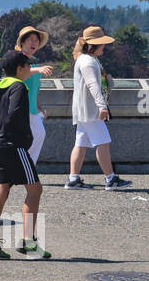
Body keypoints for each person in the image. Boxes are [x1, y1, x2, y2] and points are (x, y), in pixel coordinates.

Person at [0, 49, 49, 259]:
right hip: (14, 145)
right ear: (20, 69)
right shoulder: (19, 86)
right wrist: (25, 138)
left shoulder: (2, 86)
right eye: (28, 66)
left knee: (0, 193)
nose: (30, 69)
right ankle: (28, 241)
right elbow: (15, 116)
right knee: (35, 190)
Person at [67, 25, 131, 190]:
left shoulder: (84, 59)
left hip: (83, 109)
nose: (104, 46)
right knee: (103, 142)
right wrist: (102, 106)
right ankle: (110, 179)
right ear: (94, 45)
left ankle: (73, 179)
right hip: (90, 110)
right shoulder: (89, 61)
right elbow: (93, 85)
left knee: (80, 143)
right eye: (101, 43)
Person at [15, 25, 55, 165]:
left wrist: (40, 107)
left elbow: (35, 90)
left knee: (39, 135)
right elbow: (19, 74)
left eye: (36, 41)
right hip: (19, 107)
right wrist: (39, 69)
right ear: (23, 42)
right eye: (31, 40)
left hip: (31, 108)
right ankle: (24, 166)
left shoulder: (34, 62)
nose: (34, 43)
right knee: (24, 138)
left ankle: (27, 165)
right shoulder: (17, 59)